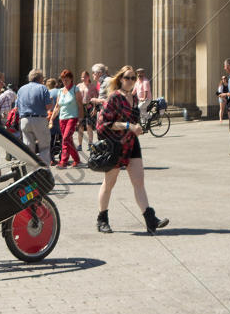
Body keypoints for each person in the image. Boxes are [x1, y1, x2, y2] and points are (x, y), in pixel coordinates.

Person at [95, 68, 168, 234]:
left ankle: (150, 219)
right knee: (109, 183)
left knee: (139, 182)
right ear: (120, 79)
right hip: (115, 144)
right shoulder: (114, 97)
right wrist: (128, 126)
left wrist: (139, 127)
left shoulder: (134, 98)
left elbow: (134, 120)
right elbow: (104, 124)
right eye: (127, 78)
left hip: (131, 143)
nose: (130, 80)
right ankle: (102, 219)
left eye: (133, 78)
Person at [16, 67, 55, 165]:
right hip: (39, 119)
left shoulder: (21, 89)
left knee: (28, 148)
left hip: (24, 120)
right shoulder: (42, 88)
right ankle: (44, 171)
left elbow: (17, 107)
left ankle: (30, 171)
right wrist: (51, 101)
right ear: (40, 78)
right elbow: (48, 106)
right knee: (44, 147)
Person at [53, 69, 84, 168]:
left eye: (66, 79)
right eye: (63, 80)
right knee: (68, 140)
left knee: (65, 138)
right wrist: (51, 118)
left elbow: (80, 105)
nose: (64, 81)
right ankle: (77, 160)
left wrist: (80, 119)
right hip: (62, 118)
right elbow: (57, 106)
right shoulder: (60, 91)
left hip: (72, 117)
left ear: (71, 79)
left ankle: (63, 162)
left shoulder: (76, 89)